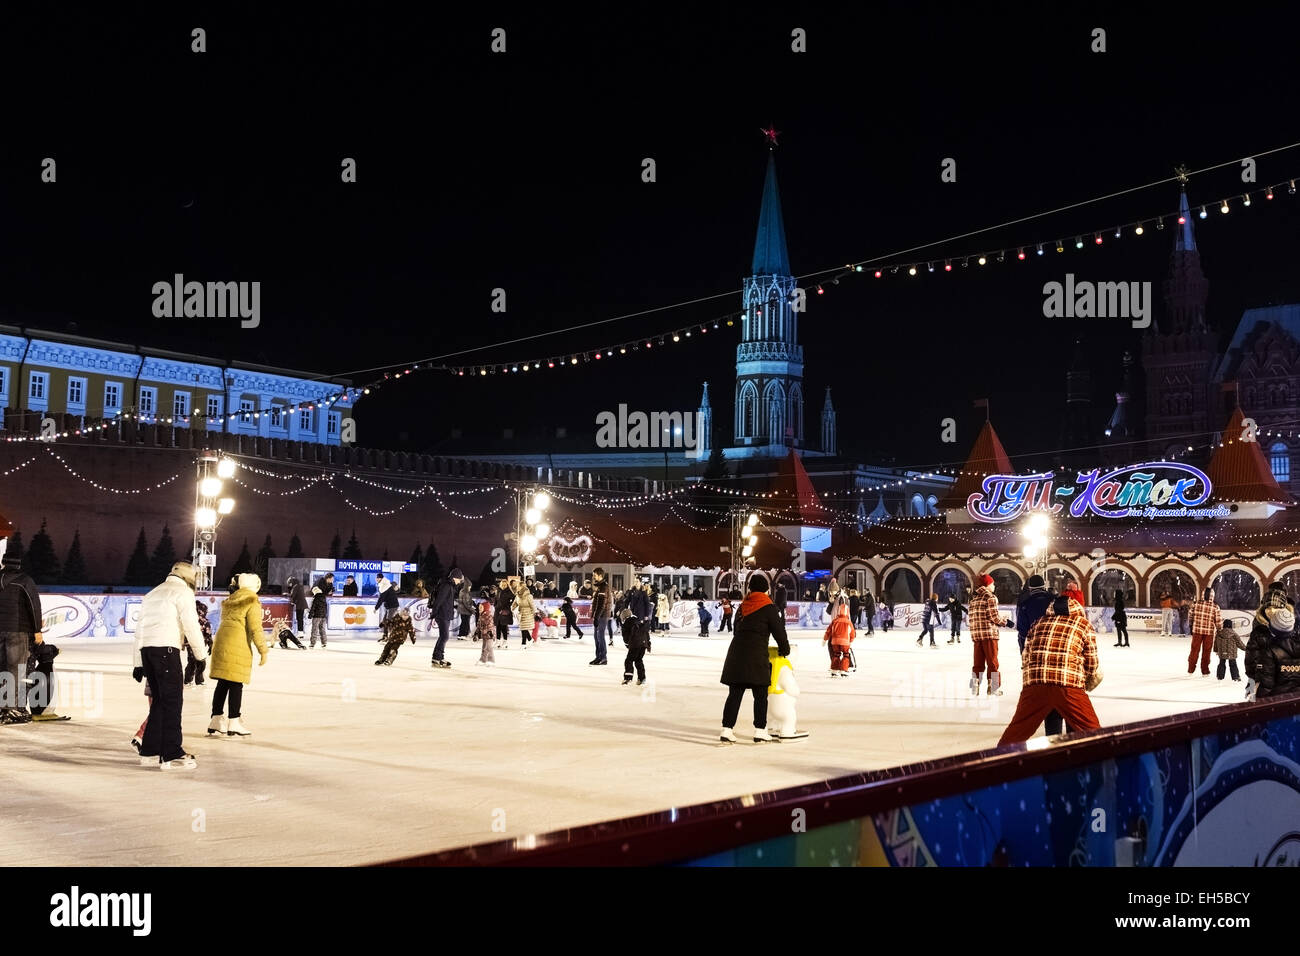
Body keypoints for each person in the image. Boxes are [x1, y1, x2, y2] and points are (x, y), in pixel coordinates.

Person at [998, 595, 1102, 746]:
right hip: (1068, 685)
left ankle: (1000, 754)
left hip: (1035, 684)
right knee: (1093, 732)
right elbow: (1092, 661)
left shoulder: (1038, 622)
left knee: (1017, 731)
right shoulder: (1083, 624)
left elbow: (1026, 656)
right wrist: (1087, 677)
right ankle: (1103, 755)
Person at [133, 562, 207, 768]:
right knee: (172, 702)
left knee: (159, 702)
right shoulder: (182, 593)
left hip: (147, 652)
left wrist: (138, 662)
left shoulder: (153, 593)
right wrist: (200, 656)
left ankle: (149, 750)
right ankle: (172, 753)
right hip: (166, 651)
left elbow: (139, 630)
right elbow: (191, 625)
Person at [719, 573, 790, 744]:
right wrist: (784, 649)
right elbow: (779, 631)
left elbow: (736, 628)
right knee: (760, 694)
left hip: (737, 653)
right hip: (756, 654)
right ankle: (760, 730)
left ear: (750, 588)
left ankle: (727, 729)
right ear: (766, 589)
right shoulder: (768, 606)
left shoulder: (743, 605)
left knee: (735, 693)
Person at [207, 572, 268, 738]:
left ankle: (216, 719)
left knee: (223, 682)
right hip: (237, 642)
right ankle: (234, 720)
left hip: (221, 641)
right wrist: (263, 650)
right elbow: (255, 628)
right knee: (235, 683)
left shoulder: (231, 599)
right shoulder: (252, 600)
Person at [0, 553, 43, 724]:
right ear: (18, 564)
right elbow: (34, 606)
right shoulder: (25, 580)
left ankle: (2, 708)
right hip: (18, 631)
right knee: (15, 670)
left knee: (1, 669)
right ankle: (10, 710)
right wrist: (37, 630)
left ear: (3, 563)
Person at [1245, 595, 1300, 698]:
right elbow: (1251, 660)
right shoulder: (1259, 631)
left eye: (1276, 607)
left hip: (1283, 689)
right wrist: (1254, 681)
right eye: (1268, 607)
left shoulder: (1293, 629)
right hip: (1261, 680)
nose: (1271, 611)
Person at [969, 573, 1008, 696]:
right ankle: (994, 687)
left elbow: (971, 619)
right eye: (993, 584)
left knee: (977, 663)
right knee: (992, 662)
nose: (994, 586)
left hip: (977, 635)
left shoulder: (974, 599)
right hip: (989, 635)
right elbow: (994, 617)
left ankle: (974, 687)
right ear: (988, 585)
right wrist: (1005, 622)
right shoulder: (990, 597)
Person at [766, 645, 807, 739]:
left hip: (769, 703)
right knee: (789, 717)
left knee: (771, 717)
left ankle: (770, 728)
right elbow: (789, 687)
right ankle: (787, 731)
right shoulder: (784, 668)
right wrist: (797, 691)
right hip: (783, 705)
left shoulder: (770, 665)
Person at [428, 568, 463, 667]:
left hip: (445, 613)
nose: (460, 581)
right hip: (442, 614)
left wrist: (453, 606)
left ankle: (438, 657)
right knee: (444, 636)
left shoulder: (450, 585)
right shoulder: (446, 586)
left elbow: (446, 600)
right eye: (459, 579)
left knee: (443, 636)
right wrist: (434, 613)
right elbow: (439, 600)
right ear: (455, 578)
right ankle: (437, 657)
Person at [1187, 588, 1221, 676]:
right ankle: (1205, 670)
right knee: (1206, 651)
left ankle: (1191, 669)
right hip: (1209, 632)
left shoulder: (1196, 604)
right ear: (1212, 596)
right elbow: (1218, 620)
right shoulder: (1215, 607)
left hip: (1197, 631)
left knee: (1194, 650)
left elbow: (1190, 615)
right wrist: (1219, 629)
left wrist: (1191, 625)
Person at [1016, 575, 1053, 653]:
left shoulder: (1025, 603)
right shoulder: (1053, 600)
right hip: (1051, 639)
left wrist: (1023, 646)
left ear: (1030, 587)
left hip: (1033, 641)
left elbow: (1022, 627)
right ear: (1044, 586)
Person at [184, 601, 215, 683]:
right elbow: (208, 634)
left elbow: (208, 634)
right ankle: (193, 679)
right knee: (198, 661)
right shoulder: (200, 622)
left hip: (194, 644)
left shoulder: (198, 622)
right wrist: (210, 644)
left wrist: (210, 644)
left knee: (194, 661)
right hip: (195, 644)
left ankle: (192, 679)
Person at [823, 601, 855, 676]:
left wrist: (825, 639)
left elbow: (828, 631)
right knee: (846, 655)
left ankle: (834, 670)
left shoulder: (835, 621)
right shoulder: (848, 622)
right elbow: (852, 633)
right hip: (845, 642)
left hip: (835, 641)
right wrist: (851, 640)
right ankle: (843, 670)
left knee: (836, 655)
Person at [590, 567, 611, 665]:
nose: (593, 577)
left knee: (600, 636)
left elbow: (601, 604)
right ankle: (598, 657)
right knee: (596, 636)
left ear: (600, 575)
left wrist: (597, 617)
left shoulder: (604, 587)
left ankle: (603, 657)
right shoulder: (600, 587)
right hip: (599, 615)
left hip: (602, 615)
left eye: (595, 575)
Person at [309, 573, 334, 647]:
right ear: (328, 578)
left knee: (315, 629)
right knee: (322, 629)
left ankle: (312, 643)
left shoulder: (317, 598)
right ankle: (324, 642)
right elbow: (325, 607)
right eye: (332, 579)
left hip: (317, 615)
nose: (332, 580)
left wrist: (310, 614)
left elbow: (313, 607)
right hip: (323, 615)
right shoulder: (324, 598)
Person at [476, 588, 497, 666]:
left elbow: (490, 626)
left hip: (489, 634)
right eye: (479, 608)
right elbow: (479, 625)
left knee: (488, 647)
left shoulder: (488, 615)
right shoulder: (481, 616)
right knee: (484, 647)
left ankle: (489, 660)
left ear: (485, 608)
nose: (479, 609)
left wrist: (489, 633)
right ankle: (484, 660)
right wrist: (476, 633)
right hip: (485, 634)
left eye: (481, 607)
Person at [516, 579, 537, 647]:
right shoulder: (518, 595)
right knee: (523, 628)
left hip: (528, 613)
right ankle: (530, 639)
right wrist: (512, 609)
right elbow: (515, 603)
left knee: (523, 628)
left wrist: (535, 612)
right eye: (520, 586)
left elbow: (532, 604)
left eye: (523, 586)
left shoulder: (529, 595)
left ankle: (523, 643)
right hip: (521, 613)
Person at [493, 579, 514, 650]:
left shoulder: (509, 592)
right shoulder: (498, 591)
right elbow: (495, 600)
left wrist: (507, 607)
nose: (503, 586)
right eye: (502, 584)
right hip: (497, 611)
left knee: (504, 627)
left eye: (505, 585)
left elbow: (513, 600)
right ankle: (498, 641)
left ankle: (505, 641)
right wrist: (495, 606)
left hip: (505, 611)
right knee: (498, 626)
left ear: (507, 585)